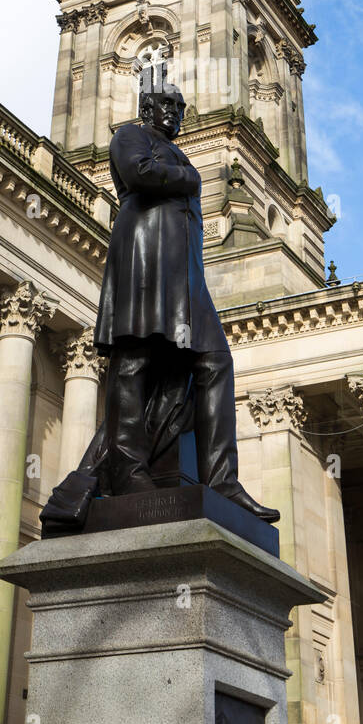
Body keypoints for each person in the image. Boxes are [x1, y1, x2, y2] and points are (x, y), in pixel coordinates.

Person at [40, 72, 279, 531]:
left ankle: (222, 481)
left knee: (215, 361)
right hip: (143, 264)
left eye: (179, 109)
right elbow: (138, 174)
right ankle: (129, 472)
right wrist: (188, 178)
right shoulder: (130, 136)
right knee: (134, 363)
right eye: (166, 106)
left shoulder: (178, 152)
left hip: (184, 281)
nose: (174, 114)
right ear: (146, 109)